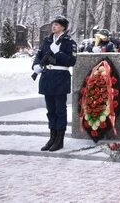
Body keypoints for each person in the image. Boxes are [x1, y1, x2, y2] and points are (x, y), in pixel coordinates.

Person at [32, 16, 77, 152]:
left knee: (60, 110)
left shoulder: (69, 42)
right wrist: (35, 66)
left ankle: (59, 139)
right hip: (47, 78)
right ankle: (52, 138)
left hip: (60, 78)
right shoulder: (47, 40)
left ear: (63, 27)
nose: (54, 26)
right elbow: (38, 56)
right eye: (53, 24)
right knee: (50, 111)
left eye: (57, 25)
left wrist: (58, 52)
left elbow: (71, 61)